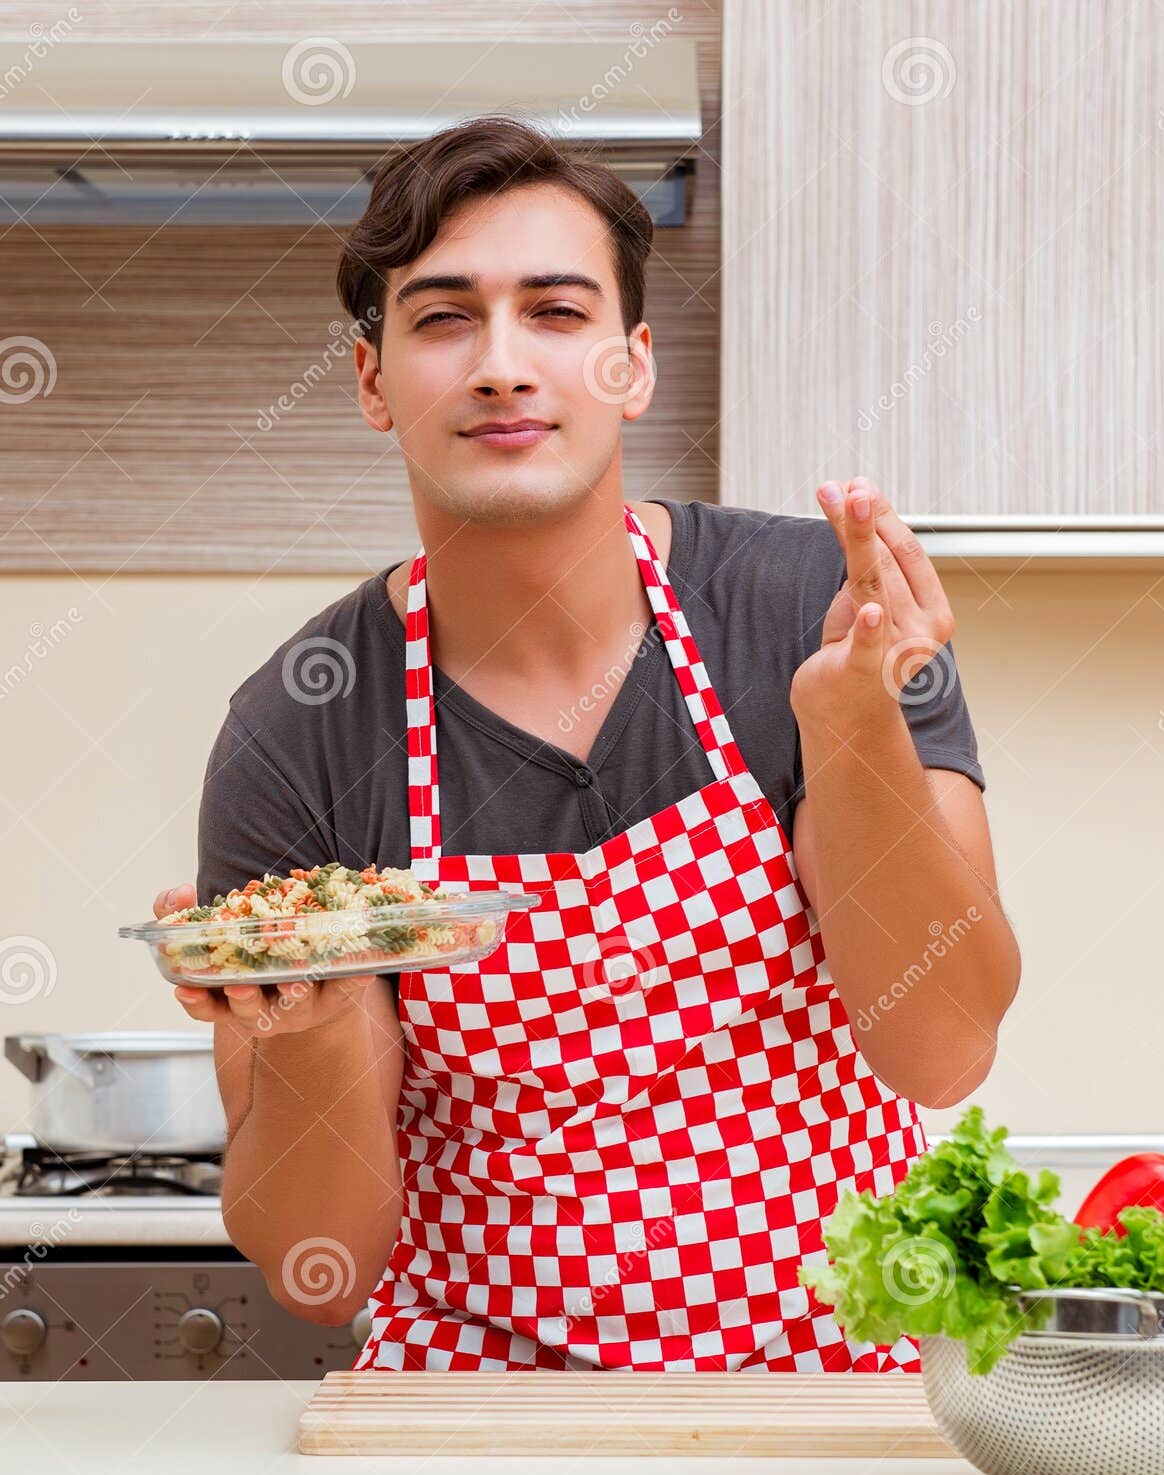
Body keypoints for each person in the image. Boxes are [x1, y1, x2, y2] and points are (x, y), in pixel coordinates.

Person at [158, 114, 1020, 1372]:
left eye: (556, 314)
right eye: (444, 318)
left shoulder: (809, 612)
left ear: (633, 365)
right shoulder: (301, 727)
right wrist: (313, 1016)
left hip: (848, 1409)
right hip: (478, 1422)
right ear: (370, 381)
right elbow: (311, 1260)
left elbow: (943, 1049)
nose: (503, 365)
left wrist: (849, 721)